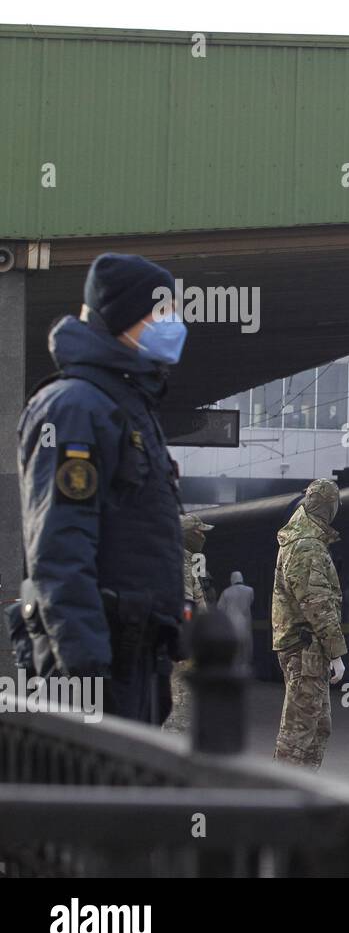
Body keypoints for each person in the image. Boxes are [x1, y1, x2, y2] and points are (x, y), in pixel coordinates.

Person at [10, 253, 186, 724]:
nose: (174, 323)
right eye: (162, 311)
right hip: (98, 662)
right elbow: (59, 550)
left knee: (129, 796)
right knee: (93, 796)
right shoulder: (76, 407)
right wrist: (86, 671)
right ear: (125, 317)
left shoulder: (125, 404)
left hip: (132, 656)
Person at [271, 479, 346, 769]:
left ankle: (301, 789)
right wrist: (336, 651)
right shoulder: (307, 545)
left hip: (307, 647)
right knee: (299, 730)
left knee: (317, 725)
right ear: (329, 507)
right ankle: (281, 797)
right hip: (306, 648)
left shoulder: (300, 538)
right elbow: (317, 603)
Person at [162, 512, 213, 733]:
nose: (203, 537)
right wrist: (188, 644)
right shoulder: (181, 563)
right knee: (181, 702)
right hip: (185, 646)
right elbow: (185, 608)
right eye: (200, 532)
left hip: (184, 642)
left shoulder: (180, 559)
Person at [216, 571, 255, 668]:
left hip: (230, 626)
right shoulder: (250, 590)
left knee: (233, 653)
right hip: (245, 625)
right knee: (245, 653)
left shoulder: (226, 592)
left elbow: (219, 609)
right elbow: (251, 602)